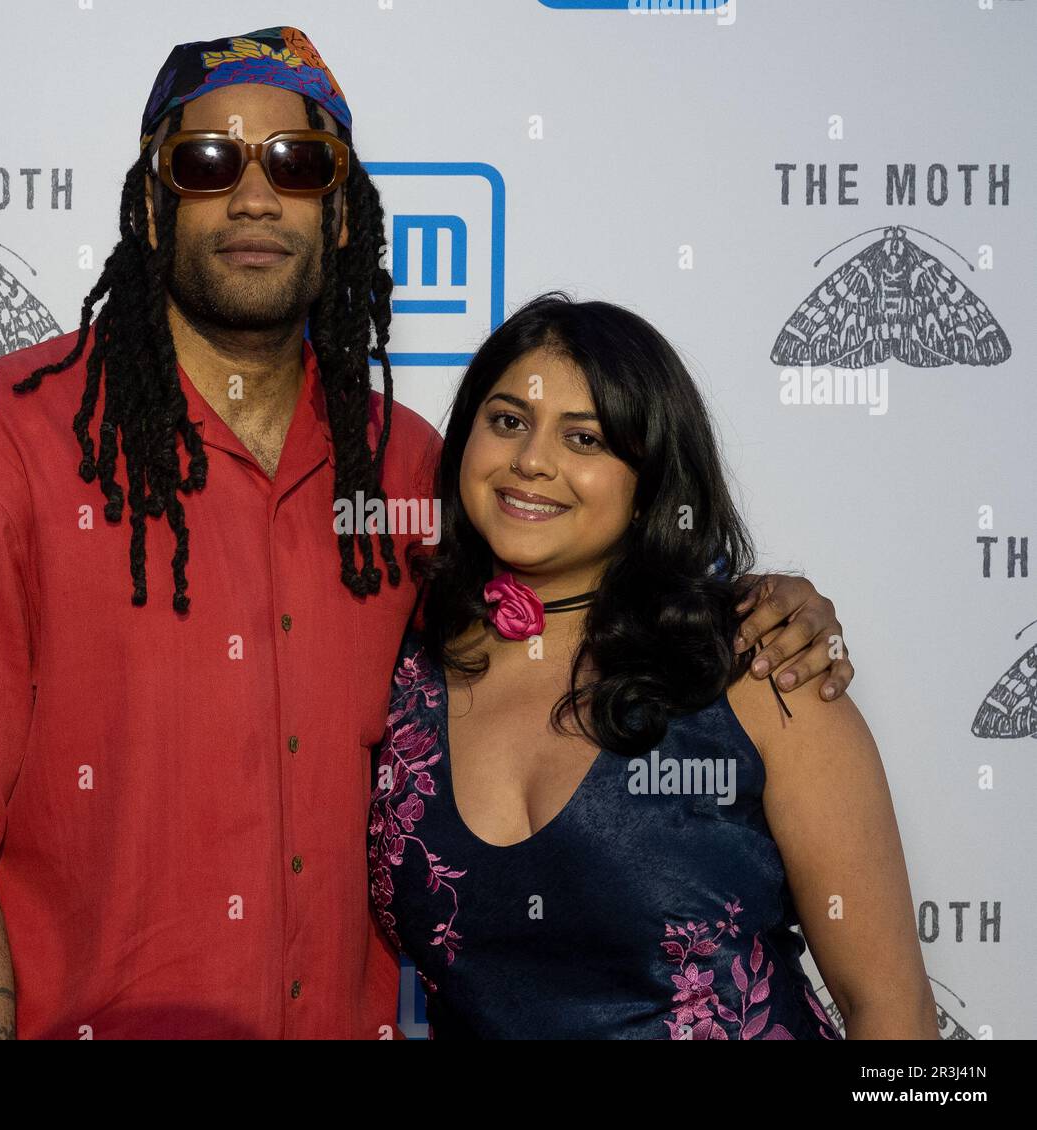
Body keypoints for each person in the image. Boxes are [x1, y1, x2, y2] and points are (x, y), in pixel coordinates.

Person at [0, 28, 854, 1040]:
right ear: (154, 209)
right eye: (208, 159)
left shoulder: (409, 470)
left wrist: (755, 607)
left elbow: (578, 610)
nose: (255, 193)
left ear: (343, 214)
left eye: (299, 162)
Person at [369, 293, 937, 1039]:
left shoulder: (758, 664)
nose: (532, 461)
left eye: (586, 439)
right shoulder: (402, 660)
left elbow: (890, 1011)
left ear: (650, 481)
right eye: (508, 421)